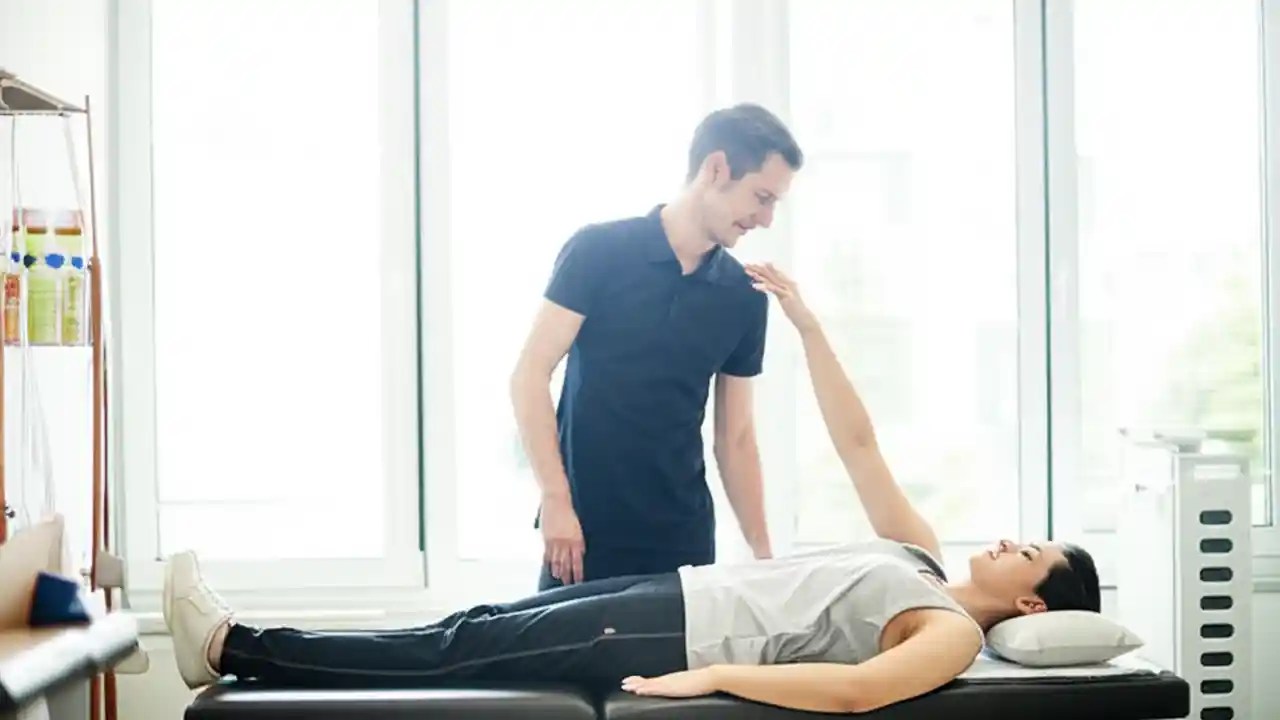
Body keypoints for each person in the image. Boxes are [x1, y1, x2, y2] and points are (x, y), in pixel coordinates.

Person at [163, 263, 1101, 714]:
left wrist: (721, 676)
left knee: (463, 648)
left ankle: (235, 645)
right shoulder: (919, 558)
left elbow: (858, 693)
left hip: (685, 632)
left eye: (1034, 551)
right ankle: (241, 645)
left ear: (1029, 598)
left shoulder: (943, 632)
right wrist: (809, 325)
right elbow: (859, 446)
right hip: (681, 590)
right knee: (474, 628)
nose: (1015, 537)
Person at [510, 103, 804, 590]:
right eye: (761, 197)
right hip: (581, 536)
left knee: (671, 670)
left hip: (683, 548)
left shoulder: (744, 297)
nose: (767, 219)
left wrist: (763, 556)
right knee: (561, 666)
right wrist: (555, 500)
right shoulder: (598, 252)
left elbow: (736, 438)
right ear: (716, 169)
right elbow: (529, 375)